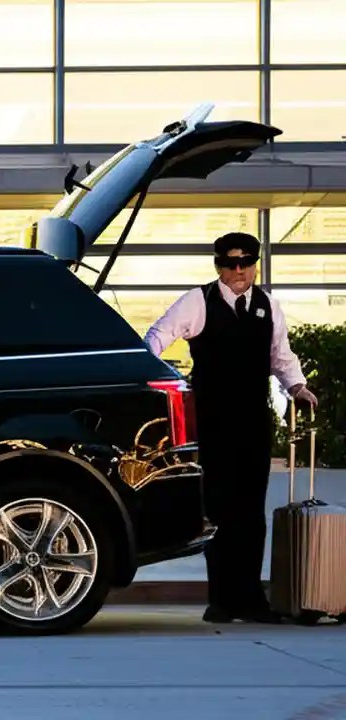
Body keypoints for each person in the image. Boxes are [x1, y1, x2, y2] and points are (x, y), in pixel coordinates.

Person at [144, 231, 318, 624]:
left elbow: (280, 354)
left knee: (251, 512)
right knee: (220, 509)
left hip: (254, 420)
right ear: (218, 265)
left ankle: (251, 599)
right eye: (228, 264)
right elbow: (156, 336)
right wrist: (152, 376)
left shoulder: (268, 305)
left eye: (244, 263)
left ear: (255, 263)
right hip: (212, 421)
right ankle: (221, 600)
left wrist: (298, 386)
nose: (237, 271)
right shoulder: (197, 301)